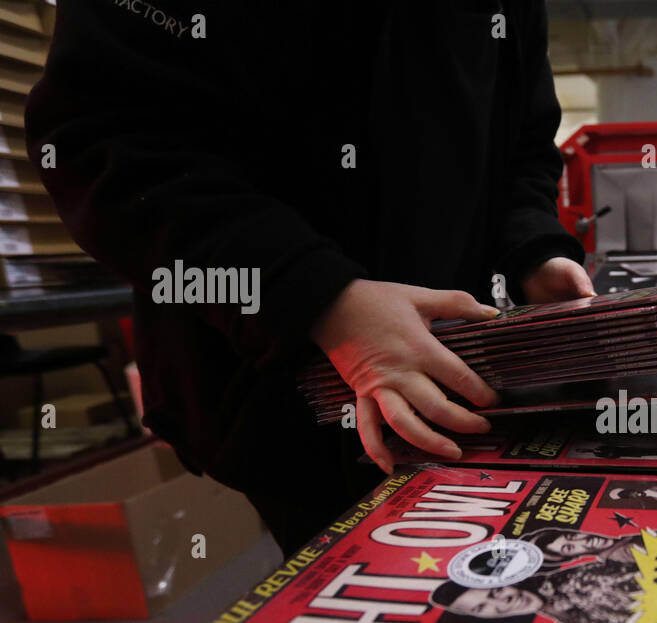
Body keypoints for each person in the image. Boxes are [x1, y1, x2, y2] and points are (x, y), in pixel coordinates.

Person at [27, 2, 592, 555]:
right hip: (274, 390)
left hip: (457, 382)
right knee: (356, 578)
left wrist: (533, 249)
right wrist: (316, 295)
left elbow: (522, 143)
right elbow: (100, 138)